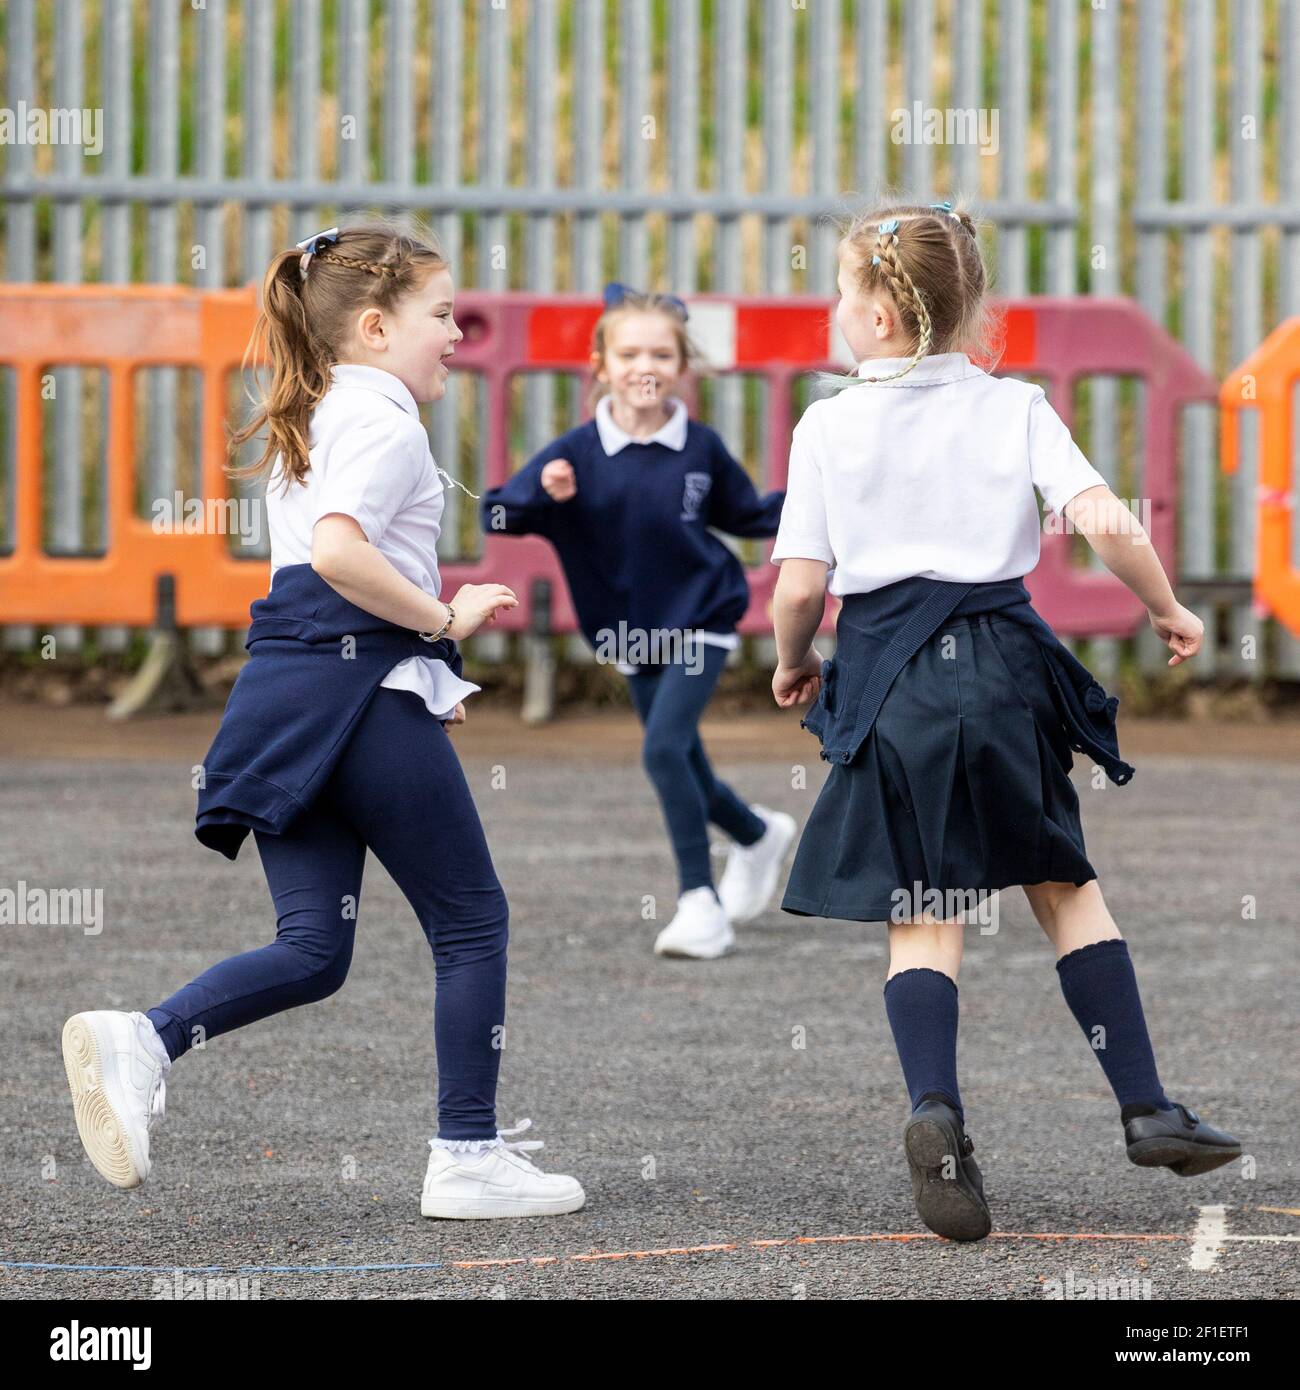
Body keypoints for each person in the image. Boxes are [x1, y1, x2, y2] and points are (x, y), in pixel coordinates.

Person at [61, 220, 585, 1220]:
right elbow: (342, 556)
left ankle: (146, 1037)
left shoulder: (316, 412)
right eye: (442, 316)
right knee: (472, 923)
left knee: (312, 947)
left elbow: (319, 578)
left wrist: (424, 669)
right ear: (377, 328)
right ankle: (466, 1155)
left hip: (287, 703)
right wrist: (442, 624)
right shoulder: (387, 423)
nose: (457, 335)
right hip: (358, 707)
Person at [769, 199, 1241, 1242]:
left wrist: (794, 661)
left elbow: (799, 585)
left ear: (879, 317)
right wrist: (1166, 607)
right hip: (1003, 672)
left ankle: (936, 1112)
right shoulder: (1014, 406)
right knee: (1064, 888)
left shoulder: (827, 424)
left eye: (841, 292)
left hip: (891, 678)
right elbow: (1105, 518)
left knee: (924, 908)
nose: (836, 310)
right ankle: (1146, 1105)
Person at [481, 283, 794, 960]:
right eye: (628, 354)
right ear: (600, 365)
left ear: (682, 365)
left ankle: (699, 903)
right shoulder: (575, 452)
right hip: (628, 632)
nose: (644, 366)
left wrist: (827, 500)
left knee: (662, 751)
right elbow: (496, 513)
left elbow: (747, 516)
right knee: (683, 758)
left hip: (703, 615)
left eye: (661, 354)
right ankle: (756, 834)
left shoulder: (700, 448)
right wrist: (544, 495)